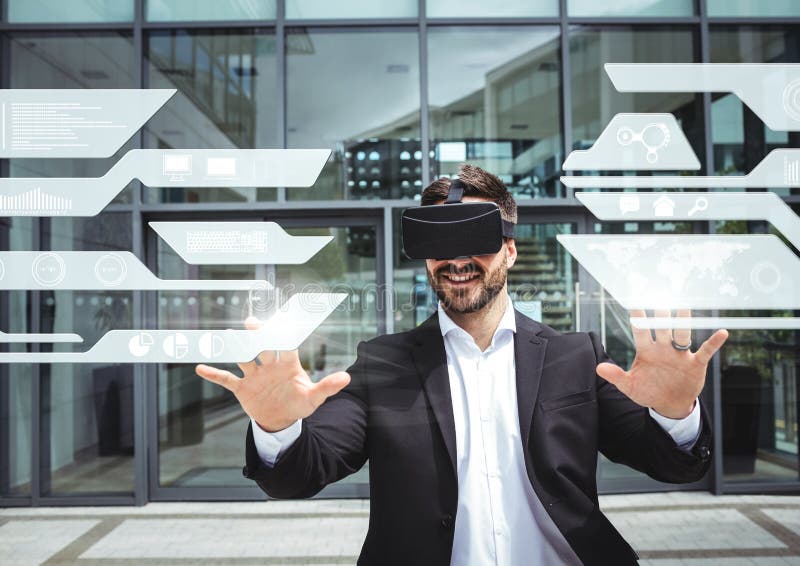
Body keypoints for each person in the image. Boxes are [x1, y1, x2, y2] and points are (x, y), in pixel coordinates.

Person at [196, 164, 728, 566]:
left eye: (473, 238)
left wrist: (676, 414)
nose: (456, 260)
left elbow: (674, 465)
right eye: (437, 242)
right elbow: (300, 475)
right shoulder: (382, 365)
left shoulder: (577, 357)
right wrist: (277, 427)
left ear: (510, 250)